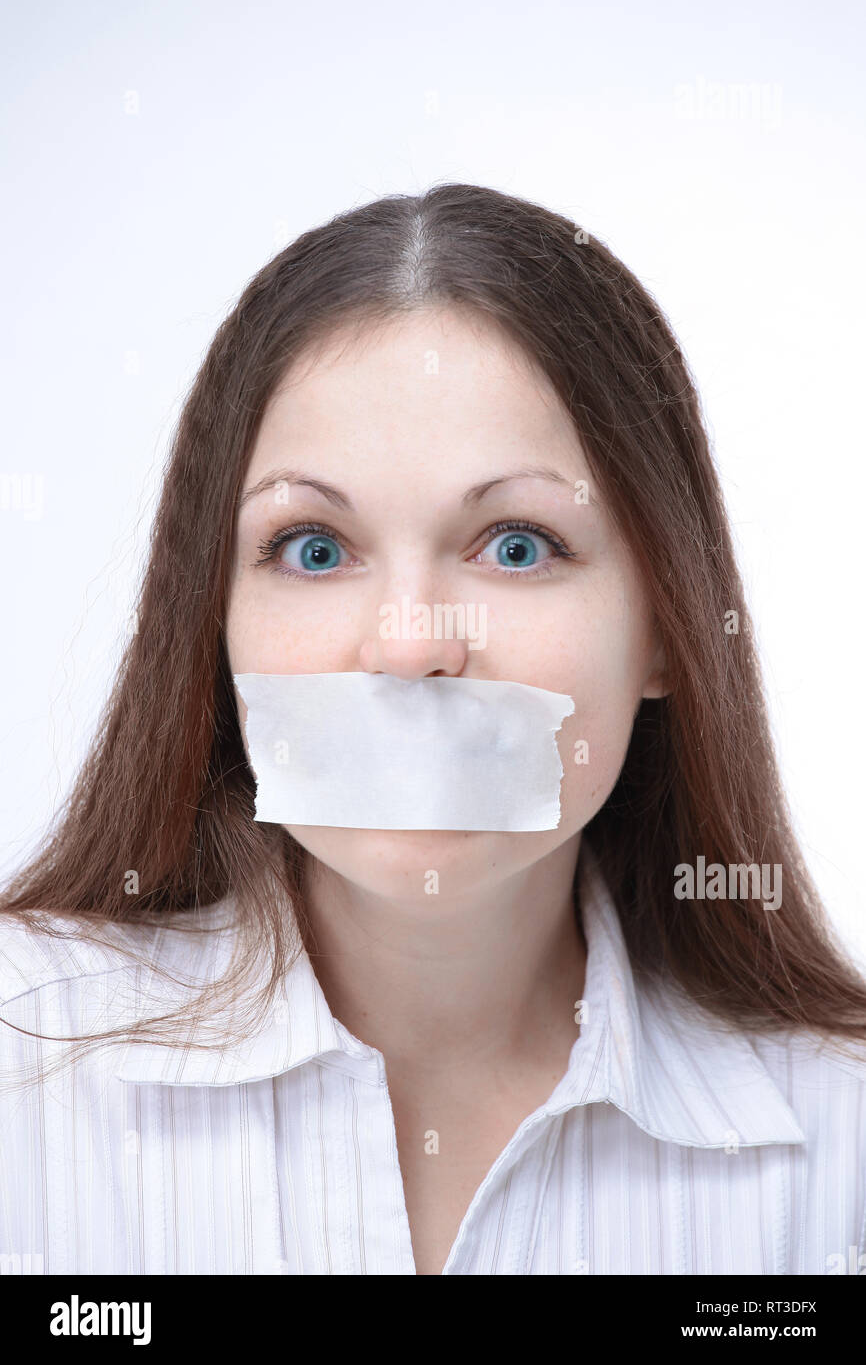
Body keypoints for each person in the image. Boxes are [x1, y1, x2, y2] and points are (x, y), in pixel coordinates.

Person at [1, 184, 864, 1277]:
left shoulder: (839, 1151)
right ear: (210, 619)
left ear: (665, 630)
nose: (411, 646)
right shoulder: (20, 1067)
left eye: (515, 545)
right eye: (313, 547)